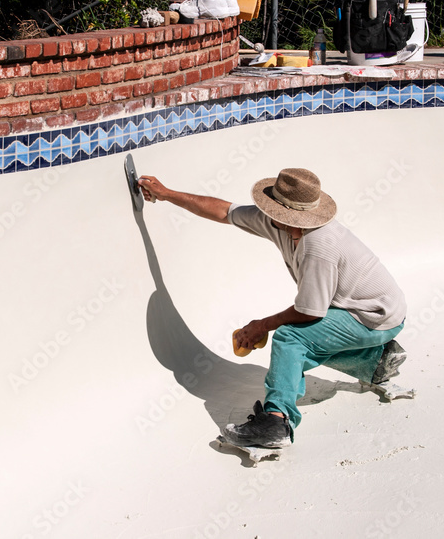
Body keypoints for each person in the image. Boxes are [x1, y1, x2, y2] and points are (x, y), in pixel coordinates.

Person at [137, 167, 407, 448]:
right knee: (310, 339)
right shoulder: (278, 223)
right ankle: (375, 361)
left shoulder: (319, 245)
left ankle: (276, 423)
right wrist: (167, 194)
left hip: (374, 317)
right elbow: (222, 211)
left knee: (292, 338)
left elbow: (310, 312)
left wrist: (260, 325)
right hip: (364, 310)